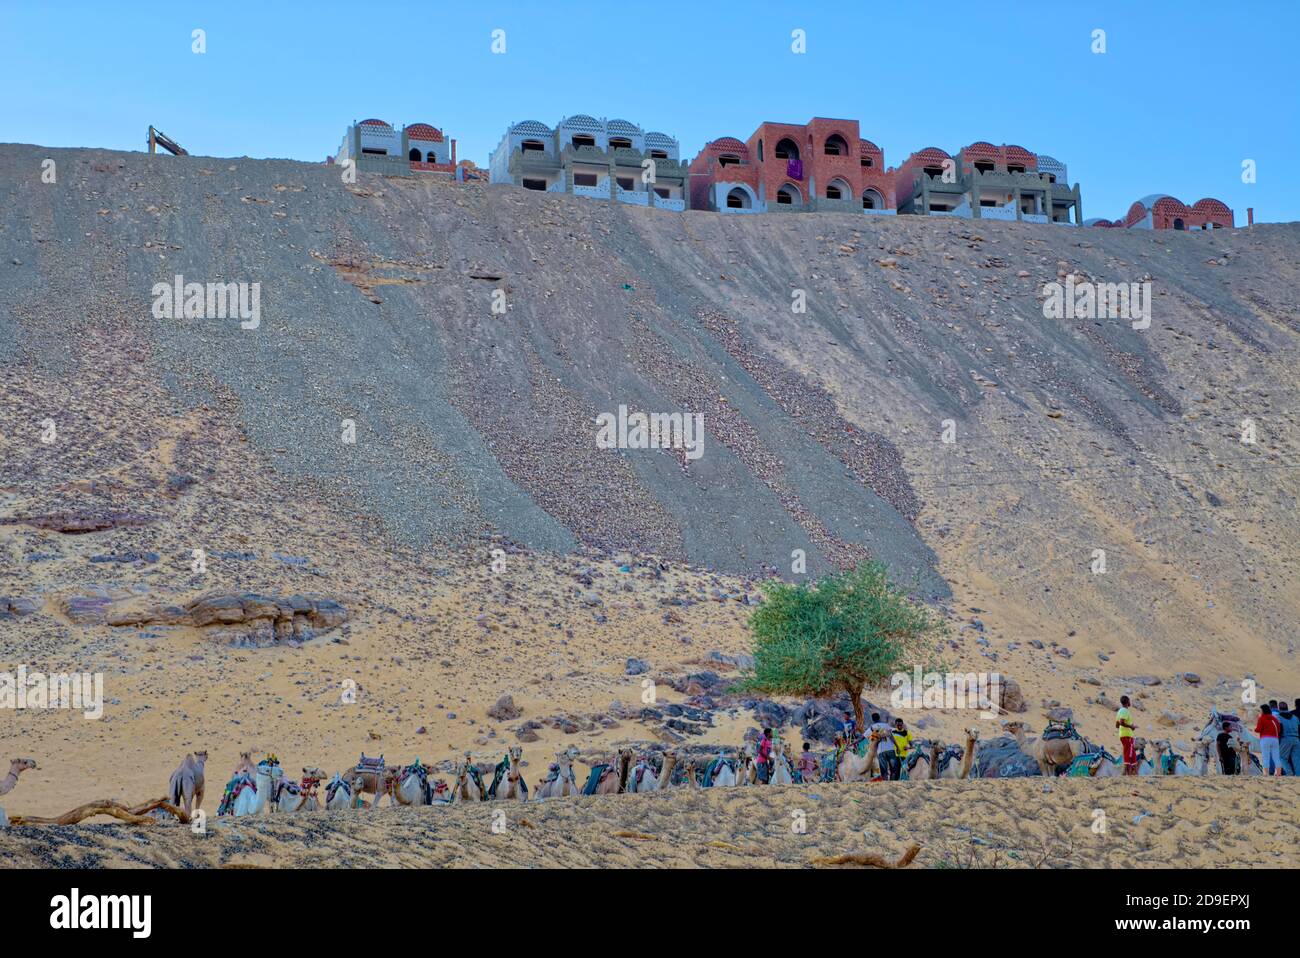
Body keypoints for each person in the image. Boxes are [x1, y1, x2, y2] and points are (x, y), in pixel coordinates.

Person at [870, 712, 898, 781]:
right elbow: (891, 737)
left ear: (872, 719)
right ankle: (892, 782)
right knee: (894, 769)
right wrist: (897, 746)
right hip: (890, 749)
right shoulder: (886, 725)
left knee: (884, 770)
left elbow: (872, 740)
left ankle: (886, 783)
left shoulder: (872, 728)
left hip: (881, 752)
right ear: (879, 718)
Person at [1256, 704, 1282, 776]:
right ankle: (1278, 773)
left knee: (1265, 756)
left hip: (1265, 739)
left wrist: (1255, 729)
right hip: (1275, 739)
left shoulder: (1262, 718)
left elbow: (1258, 729)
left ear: (1263, 711)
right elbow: (1279, 730)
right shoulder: (1274, 718)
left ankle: (1266, 773)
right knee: (1276, 756)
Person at [1116, 695, 1137, 776]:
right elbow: (1121, 722)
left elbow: (1117, 725)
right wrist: (1131, 727)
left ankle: (1133, 770)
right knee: (1129, 753)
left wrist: (1128, 726)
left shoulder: (1119, 711)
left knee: (1131, 752)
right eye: (1129, 701)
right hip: (1127, 736)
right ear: (1127, 702)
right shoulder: (1125, 711)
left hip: (1122, 735)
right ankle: (1128, 772)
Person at [1277, 702, 1299, 776]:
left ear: (1279, 708)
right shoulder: (1295, 717)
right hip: (1296, 739)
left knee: (1282, 757)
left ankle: (1289, 773)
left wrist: (1279, 740)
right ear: (1287, 708)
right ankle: (1298, 775)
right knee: (1296, 759)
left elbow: (1280, 729)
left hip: (1285, 738)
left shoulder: (1278, 717)